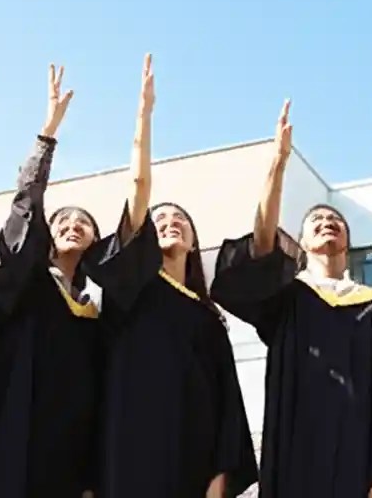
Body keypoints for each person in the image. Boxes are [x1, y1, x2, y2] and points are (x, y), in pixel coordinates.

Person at [84, 54, 257, 497]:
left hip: (194, 466)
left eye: (181, 217)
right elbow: (139, 191)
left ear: (196, 241)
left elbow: (228, 408)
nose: (170, 221)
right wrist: (144, 117)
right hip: (128, 458)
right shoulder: (131, 288)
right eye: (160, 218)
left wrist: (220, 481)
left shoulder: (207, 316)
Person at [211, 101, 372, 497]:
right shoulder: (286, 298)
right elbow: (260, 243)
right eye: (317, 223)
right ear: (302, 243)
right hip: (298, 453)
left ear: (348, 240)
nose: (328, 224)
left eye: (336, 222)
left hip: (360, 459)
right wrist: (277, 165)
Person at [0, 65, 103, 498]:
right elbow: (26, 211)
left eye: (85, 223)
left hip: (70, 463)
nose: (73, 224)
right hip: (14, 447)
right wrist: (47, 136)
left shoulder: (96, 312)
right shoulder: (27, 287)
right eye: (63, 219)